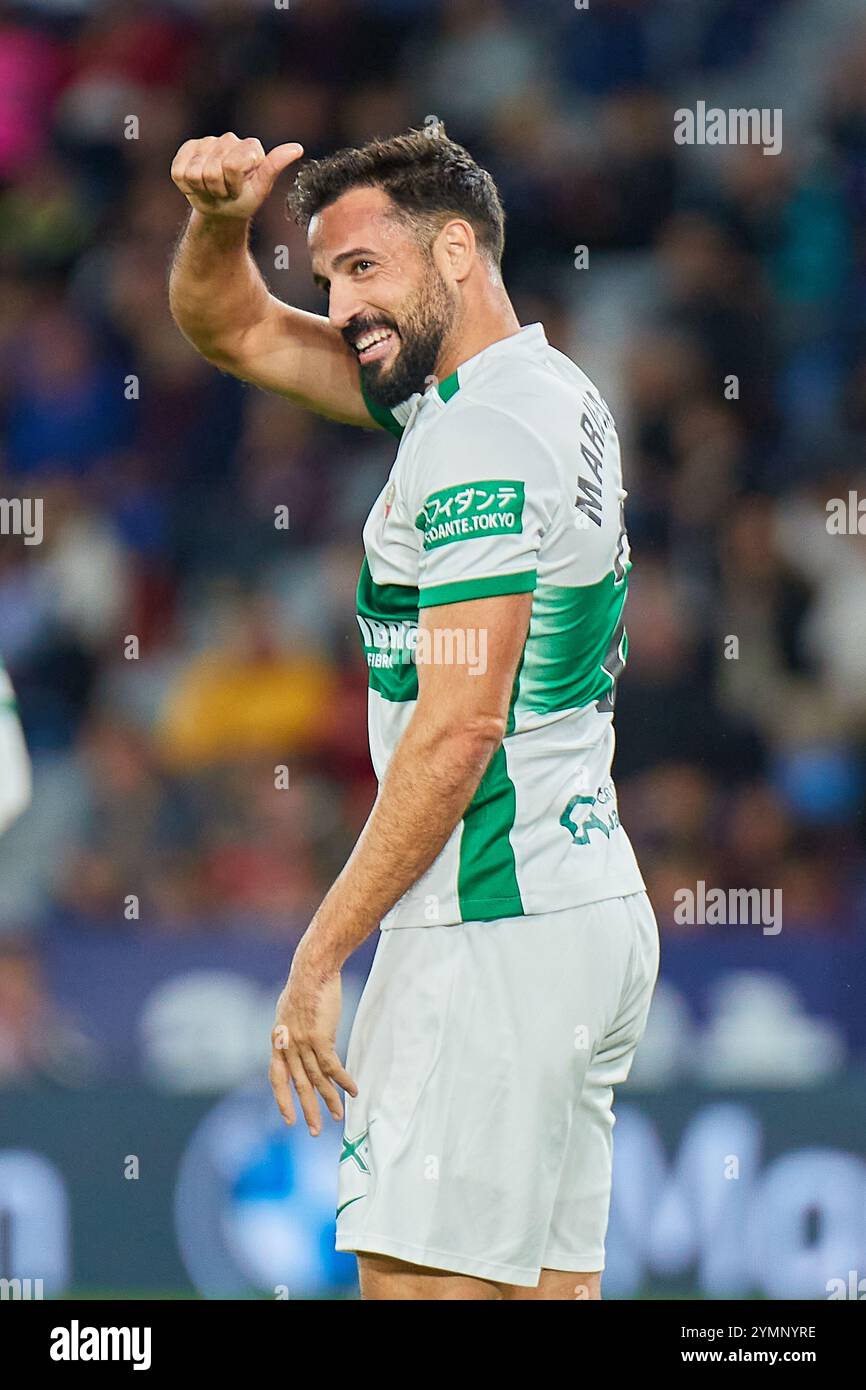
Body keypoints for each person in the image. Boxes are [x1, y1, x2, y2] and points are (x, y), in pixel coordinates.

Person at [169, 126, 659, 1301]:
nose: (338, 305)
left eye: (363, 268)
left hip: (484, 927)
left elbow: (455, 731)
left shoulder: (476, 443)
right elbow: (231, 328)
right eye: (327, 275)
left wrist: (318, 954)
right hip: (578, 907)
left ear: (455, 249)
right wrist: (221, 222)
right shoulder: (533, 391)